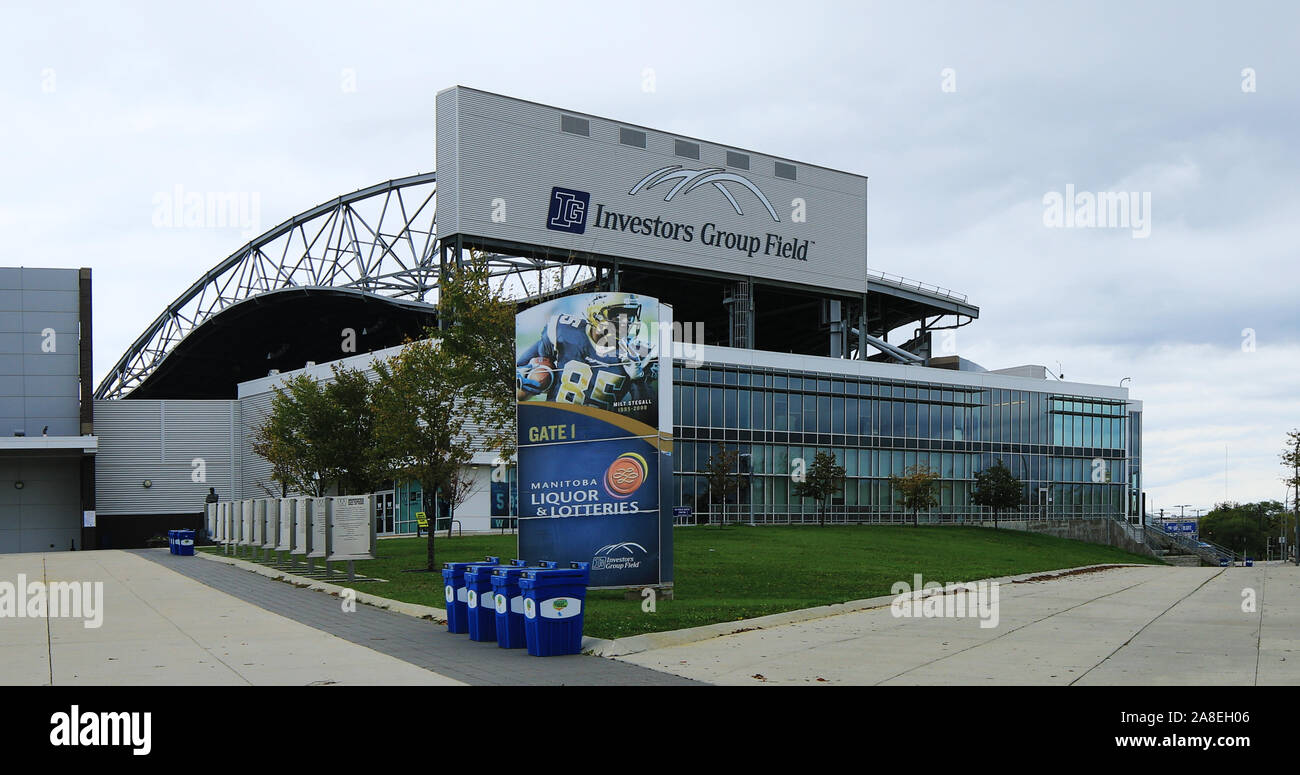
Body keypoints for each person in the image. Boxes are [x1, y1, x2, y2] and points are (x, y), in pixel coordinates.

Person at [515, 292, 657, 411]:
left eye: (630, 315)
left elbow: (648, 415)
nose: (626, 322)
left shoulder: (638, 354)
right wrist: (536, 379)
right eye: (618, 315)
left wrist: (639, 380)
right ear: (596, 315)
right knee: (541, 376)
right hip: (556, 425)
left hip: (604, 432)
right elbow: (520, 373)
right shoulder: (564, 330)